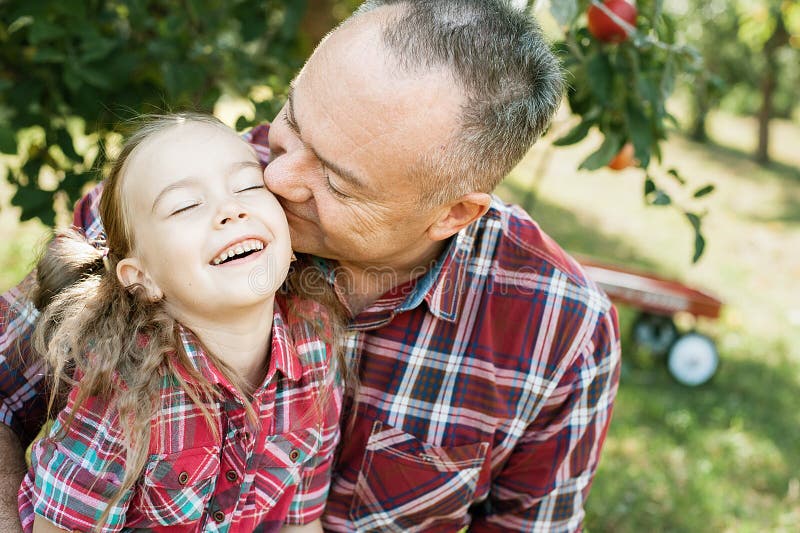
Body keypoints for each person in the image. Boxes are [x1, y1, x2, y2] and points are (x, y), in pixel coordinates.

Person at [1, 1, 621, 531]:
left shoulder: (560, 333)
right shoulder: (174, 205)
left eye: (337, 181)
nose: (274, 177)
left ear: (453, 213)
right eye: (293, 120)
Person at [15, 113, 341, 533]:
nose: (230, 210)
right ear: (142, 278)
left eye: (248, 185)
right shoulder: (122, 392)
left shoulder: (315, 350)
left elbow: (301, 520)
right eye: (185, 205)